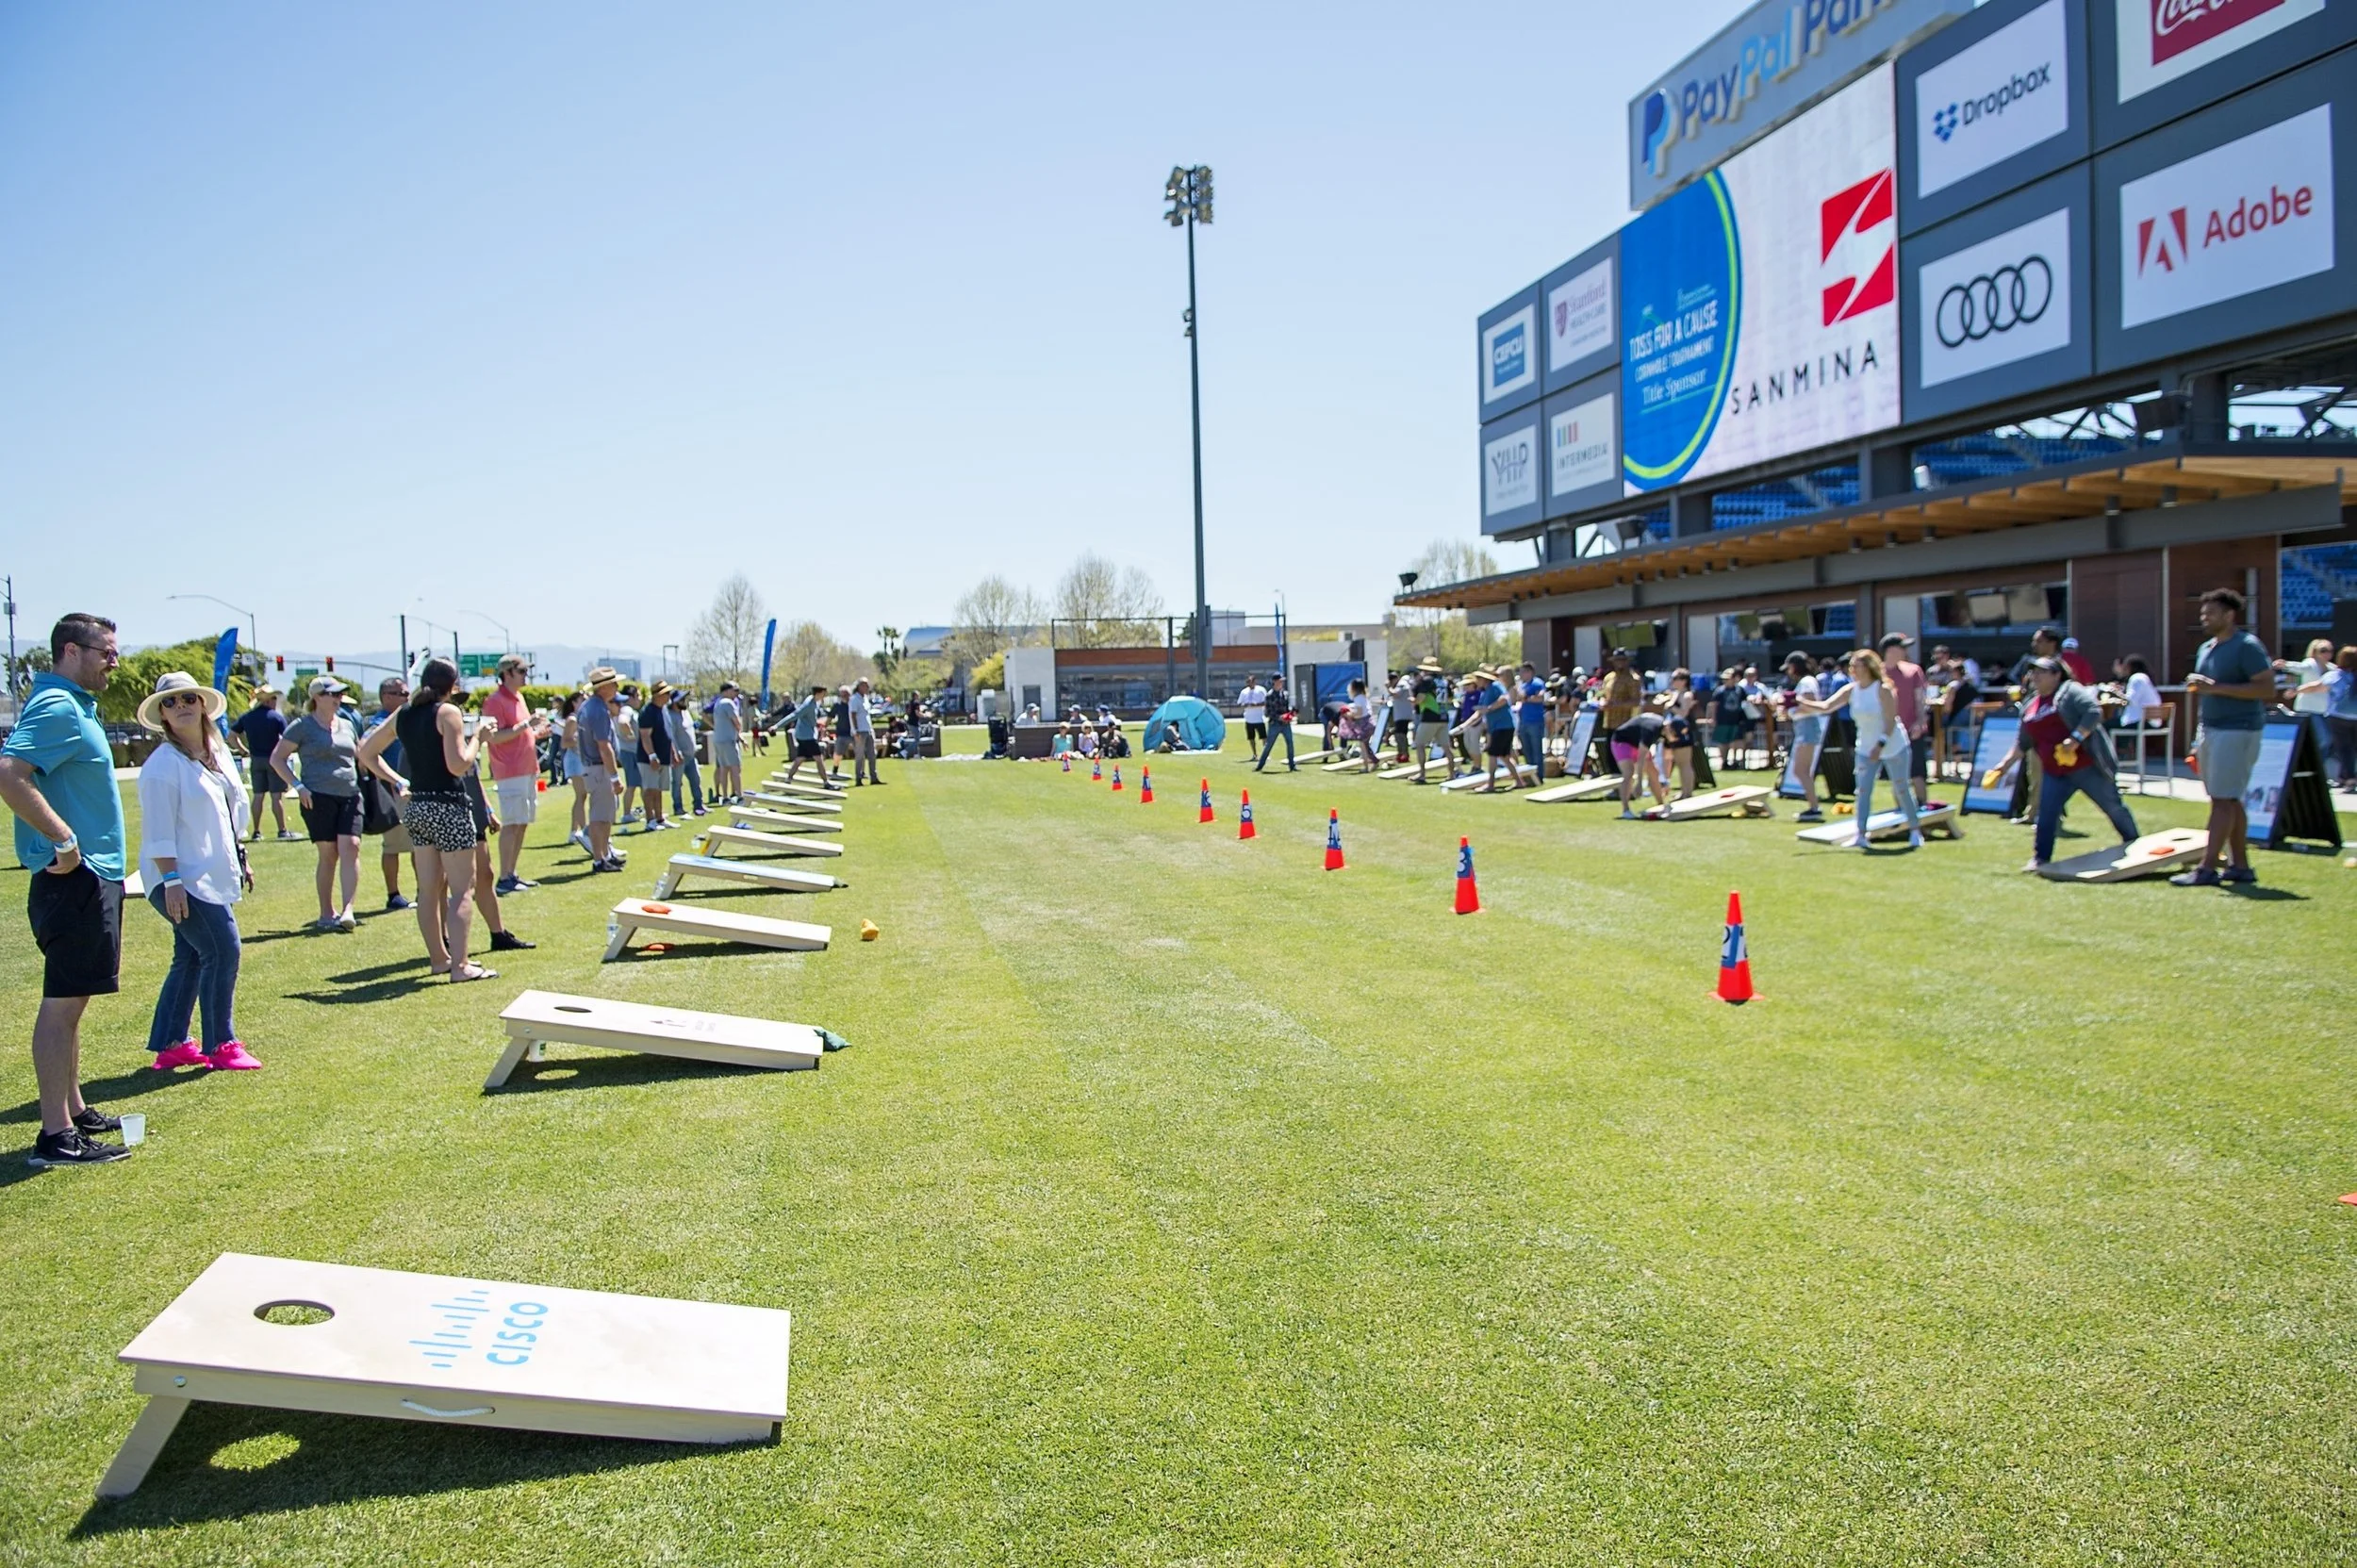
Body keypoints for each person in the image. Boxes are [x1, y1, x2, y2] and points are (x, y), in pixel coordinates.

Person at [0, 614, 134, 1166]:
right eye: (106, 651)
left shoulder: (74, 705)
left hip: (89, 877)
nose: (114, 661)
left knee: (73, 1003)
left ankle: (74, 1109)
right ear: (71, 651)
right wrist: (63, 840)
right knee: (61, 1005)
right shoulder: (57, 706)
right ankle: (56, 1135)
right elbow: (9, 772)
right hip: (72, 879)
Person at [137, 669, 262, 1072]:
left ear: (203, 705)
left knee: (191, 955)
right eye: (170, 703)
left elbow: (229, 814)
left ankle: (172, 1043)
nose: (181, 707)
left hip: (210, 872)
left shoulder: (219, 752)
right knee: (222, 950)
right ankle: (221, 1044)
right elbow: (158, 831)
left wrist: (240, 858)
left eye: (188, 699)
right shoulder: (161, 766)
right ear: (162, 717)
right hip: (179, 877)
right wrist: (172, 880)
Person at [359, 657, 498, 981]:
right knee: (462, 889)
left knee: (428, 889)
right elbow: (458, 765)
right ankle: (461, 966)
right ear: (452, 685)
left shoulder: (404, 713)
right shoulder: (447, 712)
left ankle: (439, 959)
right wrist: (479, 737)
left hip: (418, 807)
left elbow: (367, 752)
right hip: (448, 805)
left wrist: (397, 780)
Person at [1985, 656, 2141, 874]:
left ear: (2057, 675)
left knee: (2112, 806)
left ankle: (2136, 845)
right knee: (2046, 813)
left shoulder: (2070, 691)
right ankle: (2040, 859)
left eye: (2041, 672)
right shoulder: (2031, 704)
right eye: (2033, 672)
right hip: (2055, 771)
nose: (2035, 677)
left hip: (2086, 766)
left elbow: (2093, 712)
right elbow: (2023, 743)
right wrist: (2002, 766)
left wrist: (2075, 738)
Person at [2173, 586, 2277, 886]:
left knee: (2222, 800)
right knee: (2230, 800)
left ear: (2230, 615)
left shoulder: (2247, 646)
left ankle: (2207, 869)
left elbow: (2266, 690)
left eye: (2211, 613)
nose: (2204, 618)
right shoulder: (2207, 648)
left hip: (2238, 729)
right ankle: (2240, 866)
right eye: (2203, 613)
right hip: (2212, 729)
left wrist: (2215, 686)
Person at [1800, 650, 1924, 850]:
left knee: (1901, 788)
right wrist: (1801, 703)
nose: (1853, 669)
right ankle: (1861, 835)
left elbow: (1891, 721)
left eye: (1856, 665)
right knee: (1863, 791)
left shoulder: (1883, 689)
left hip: (1893, 746)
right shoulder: (1851, 690)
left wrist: (1880, 745)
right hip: (1865, 748)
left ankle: (1915, 830)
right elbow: (1825, 706)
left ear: (1868, 667)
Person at [272, 674, 365, 931]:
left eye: (339, 694)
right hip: (317, 796)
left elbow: (359, 755)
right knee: (329, 854)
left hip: (350, 793)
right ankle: (327, 912)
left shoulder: (346, 724)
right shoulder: (302, 726)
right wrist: (298, 786)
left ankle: (348, 910)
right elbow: (277, 759)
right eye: (332, 694)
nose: (338, 699)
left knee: (352, 846)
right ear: (316, 698)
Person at [479, 653, 546, 893]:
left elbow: (519, 732)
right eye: (522, 672)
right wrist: (527, 725)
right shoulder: (495, 701)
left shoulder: (518, 697)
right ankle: (505, 877)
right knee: (512, 823)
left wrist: (536, 732)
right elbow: (494, 736)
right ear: (507, 674)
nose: (526, 676)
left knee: (522, 822)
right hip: (510, 770)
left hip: (526, 768)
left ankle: (512, 873)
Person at [362, 676, 417, 913]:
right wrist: (393, 780)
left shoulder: (405, 719)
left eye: (407, 693)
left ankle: (423, 890)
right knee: (395, 846)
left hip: (410, 789)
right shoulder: (381, 723)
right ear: (386, 697)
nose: (407, 697)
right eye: (401, 694)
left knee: (419, 845)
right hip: (395, 793)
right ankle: (393, 895)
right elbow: (365, 750)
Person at [228, 685, 296, 841]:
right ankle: (282, 830)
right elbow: (288, 738)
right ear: (268, 700)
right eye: (273, 698)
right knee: (276, 797)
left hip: (256, 759)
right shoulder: (276, 718)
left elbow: (232, 736)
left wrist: (244, 750)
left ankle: (257, 831)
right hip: (274, 759)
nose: (275, 701)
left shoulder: (247, 717)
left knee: (258, 796)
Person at [576, 667, 625, 872]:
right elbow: (604, 746)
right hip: (599, 769)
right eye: (613, 683)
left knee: (605, 815)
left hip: (593, 768)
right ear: (604, 687)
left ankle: (604, 854)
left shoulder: (590, 706)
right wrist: (614, 777)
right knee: (600, 817)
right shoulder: (597, 710)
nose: (616, 687)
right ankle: (599, 858)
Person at [1880, 632, 1931, 805]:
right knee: (1897, 775)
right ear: (1890, 650)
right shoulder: (1878, 673)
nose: (1905, 651)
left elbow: (1920, 700)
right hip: (1889, 732)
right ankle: (1901, 812)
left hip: (1911, 730)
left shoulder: (1914, 670)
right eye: (1902, 647)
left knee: (1917, 773)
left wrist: (1920, 722)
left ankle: (1923, 807)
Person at [1779, 652, 1826, 821]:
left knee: (1801, 770)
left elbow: (1810, 704)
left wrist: (1790, 710)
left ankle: (1814, 808)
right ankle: (1813, 807)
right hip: (1803, 728)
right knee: (1801, 770)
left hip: (1807, 728)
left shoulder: (1806, 682)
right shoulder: (1805, 681)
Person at [1608, 710, 1672, 817]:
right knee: (1629, 773)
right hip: (1622, 741)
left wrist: (1665, 781)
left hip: (1637, 743)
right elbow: (1641, 758)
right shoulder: (1651, 730)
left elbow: (1668, 756)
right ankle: (1626, 810)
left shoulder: (1664, 729)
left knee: (1653, 772)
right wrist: (1639, 783)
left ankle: (1661, 805)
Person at [2314, 646, 2357, 790]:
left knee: (2344, 748)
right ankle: (2345, 777)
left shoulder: (2336, 675)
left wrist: (2297, 690)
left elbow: (2318, 686)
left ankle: (2349, 778)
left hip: (2339, 717)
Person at [635, 682, 678, 829]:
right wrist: (652, 756)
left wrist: (673, 751)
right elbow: (645, 736)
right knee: (650, 788)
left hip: (664, 756)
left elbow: (668, 733)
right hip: (649, 758)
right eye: (666, 693)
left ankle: (660, 818)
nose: (669, 697)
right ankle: (650, 820)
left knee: (659, 789)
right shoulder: (648, 711)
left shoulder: (664, 710)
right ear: (658, 695)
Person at [1474, 669, 1523, 791]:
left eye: (1479, 678)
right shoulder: (1485, 692)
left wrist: (1489, 708)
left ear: (1485, 679)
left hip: (1503, 726)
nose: (1477, 681)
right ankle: (1519, 781)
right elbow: (1481, 711)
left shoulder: (1495, 686)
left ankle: (1490, 784)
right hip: (1497, 726)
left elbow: (1504, 699)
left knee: (1493, 755)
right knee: (1504, 756)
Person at [668, 688, 706, 817]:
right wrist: (676, 753)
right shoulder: (670, 716)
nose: (685, 702)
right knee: (677, 782)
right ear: (674, 702)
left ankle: (699, 805)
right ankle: (678, 808)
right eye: (681, 699)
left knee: (696, 779)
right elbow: (671, 737)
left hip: (691, 755)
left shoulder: (686, 713)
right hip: (679, 756)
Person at [1660, 671, 1698, 798]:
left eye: (1675, 678)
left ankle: (1688, 793)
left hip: (1684, 732)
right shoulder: (1676, 694)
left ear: (1684, 681)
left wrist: (1671, 706)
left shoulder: (1687, 695)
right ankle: (1684, 792)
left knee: (1685, 763)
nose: (1672, 681)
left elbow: (1683, 713)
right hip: (1673, 732)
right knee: (1678, 763)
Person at [1412, 659, 1451, 783]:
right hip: (1443, 716)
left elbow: (1421, 698)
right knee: (1447, 748)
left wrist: (1413, 701)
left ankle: (1422, 774)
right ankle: (1452, 774)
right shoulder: (1444, 682)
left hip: (1429, 716)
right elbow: (1450, 697)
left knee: (1420, 744)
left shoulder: (1427, 681)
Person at [1708, 668, 1751, 772]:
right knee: (1722, 742)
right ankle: (1724, 761)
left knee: (1735, 741)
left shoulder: (1740, 690)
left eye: (1728, 678)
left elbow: (1745, 702)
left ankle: (1735, 761)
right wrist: (1713, 718)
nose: (1726, 681)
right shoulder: (1719, 691)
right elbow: (1714, 705)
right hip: (1722, 720)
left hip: (1736, 720)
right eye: (1724, 679)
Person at [709, 681, 745, 804]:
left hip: (719, 740)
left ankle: (724, 797)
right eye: (734, 690)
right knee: (735, 768)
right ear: (726, 691)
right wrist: (739, 732)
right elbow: (736, 722)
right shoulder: (728, 703)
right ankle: (740, 797)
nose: (736, 693)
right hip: (728, 741)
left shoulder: (718, 702)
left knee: (724, 768)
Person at [1254, 674, 1298, 771]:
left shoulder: (1285, 694)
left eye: (1282, 681)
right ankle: (1260, 766)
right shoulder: (1269, 696)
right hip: (1275, 724)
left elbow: (1288, 709)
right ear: (1274, 682)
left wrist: (1291, 713)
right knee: (1269, 745)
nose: (1281, 683)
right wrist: (1279, 717)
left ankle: (1292, 766)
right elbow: (1267, 713)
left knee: (1290, 744)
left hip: (1286, 724)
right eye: (1280, 681)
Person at [613, 685, 644, 823]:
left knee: (641, 783)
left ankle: (651, 811)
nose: (640, 699)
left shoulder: (624, 708)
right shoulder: (627, 709)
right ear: (631, 697)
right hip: (629, 751)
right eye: (638, 695)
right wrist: (631, 735)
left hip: (630, 751)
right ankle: (626, 815)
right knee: (632, 784)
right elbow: (622, 722)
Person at [1596, 651, 1643, 733]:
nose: (1620, 662)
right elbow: (1601, 694)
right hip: (1609, 723)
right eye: (1617, 660)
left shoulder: (1633, 679)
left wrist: (1617, 704)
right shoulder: (1609, 677)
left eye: (1623, 660)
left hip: (1626, 724)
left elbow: (1636, 701)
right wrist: (1601, 701)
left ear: (1627, 661)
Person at [850, 678, 883, 784]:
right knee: (860, 756)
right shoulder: (855, 699)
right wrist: (855, 731)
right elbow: (853, 715)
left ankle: (874, 777)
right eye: (865, 685)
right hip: (860, 730)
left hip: (868, 729)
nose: (867, 688)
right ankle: (858, 778)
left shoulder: (865, 698)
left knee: (872, 754)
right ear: (859, 686)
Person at [1239, 676, 1269, 758]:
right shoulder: (1244, 692)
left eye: (1251, 682)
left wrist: (1256, 705)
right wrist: (1245, 705)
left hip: (1259, 718)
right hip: (1249, 719)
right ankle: (1254, 754)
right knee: (1251, 738)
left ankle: (1266, 754)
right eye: (1248, 682)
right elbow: (1240, 703)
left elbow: (1266, 702)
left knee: (1264, 737)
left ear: (1255, 682)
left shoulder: (1261, 690)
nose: (1249, 684)